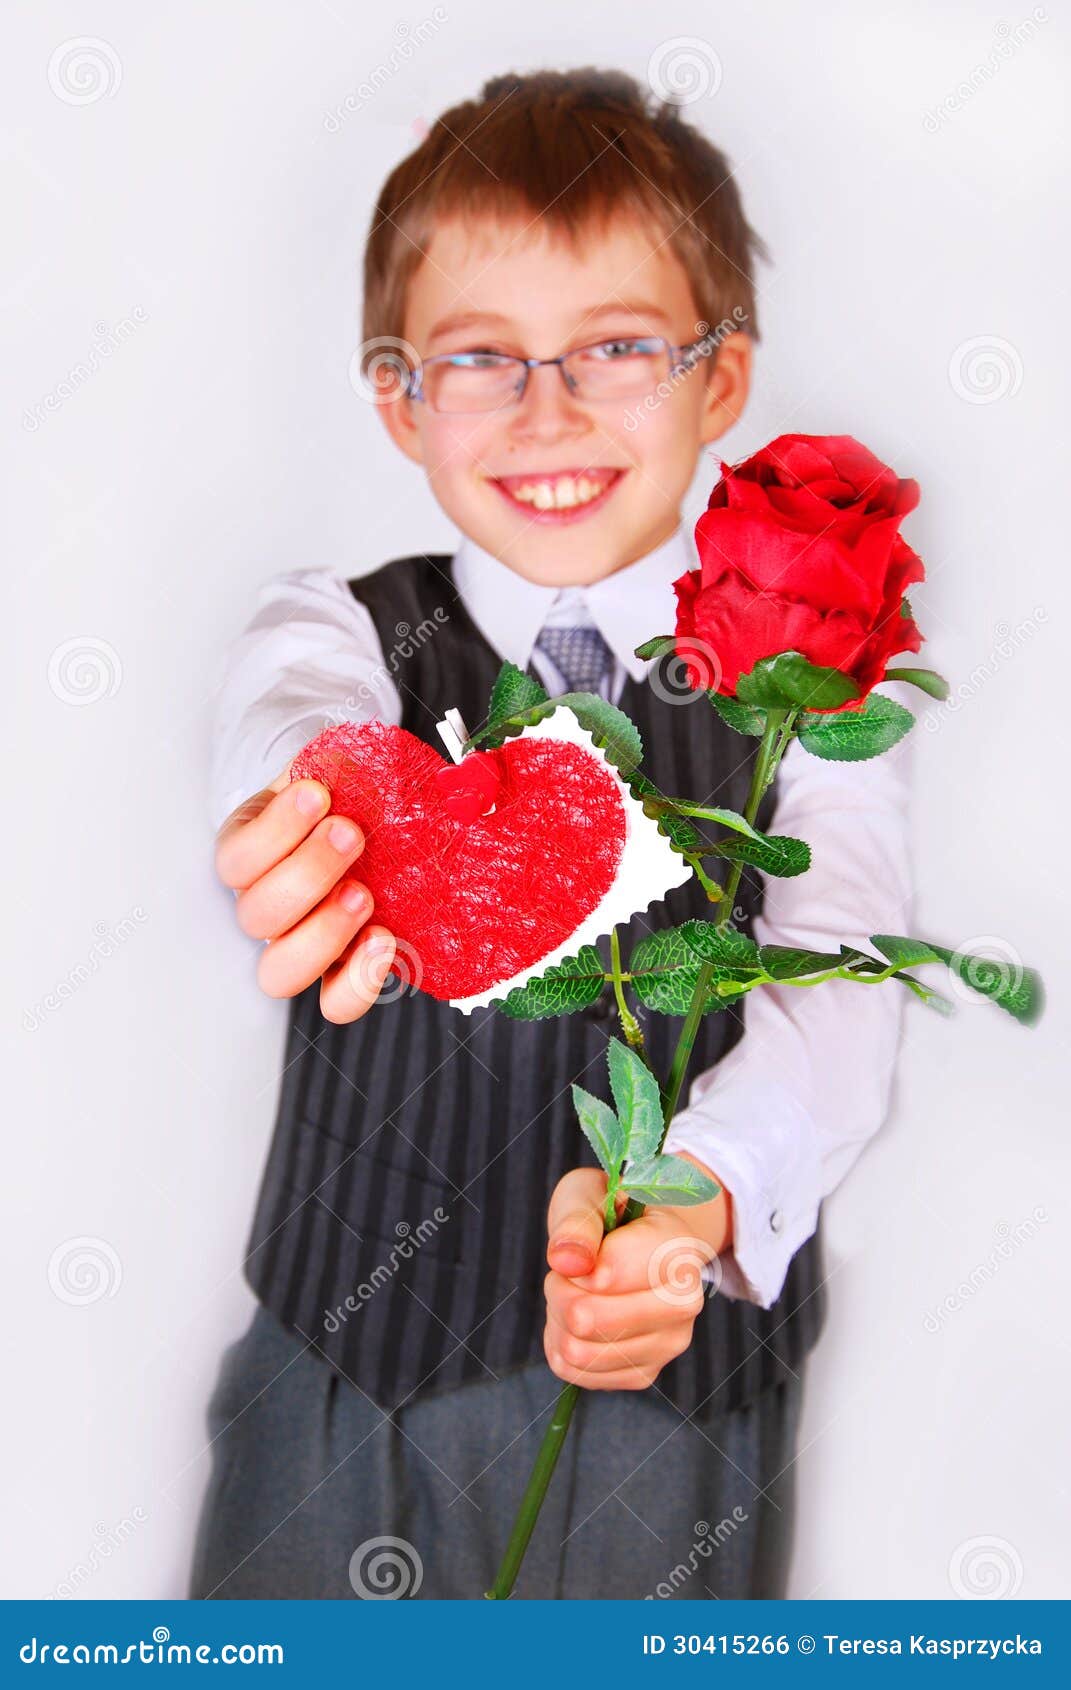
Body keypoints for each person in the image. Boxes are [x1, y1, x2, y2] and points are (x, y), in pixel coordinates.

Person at [189, 67, 913, 1601]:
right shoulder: (346, 631)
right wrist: (307, 806)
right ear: (398, 398)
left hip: (681, 1419)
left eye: (620, 348)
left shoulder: (810, 700)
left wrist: (698, 1188)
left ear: (721, 381)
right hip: (339, 1388)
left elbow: (841, 975)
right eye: (481, 361)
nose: (549, 410)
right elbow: (292, 703)